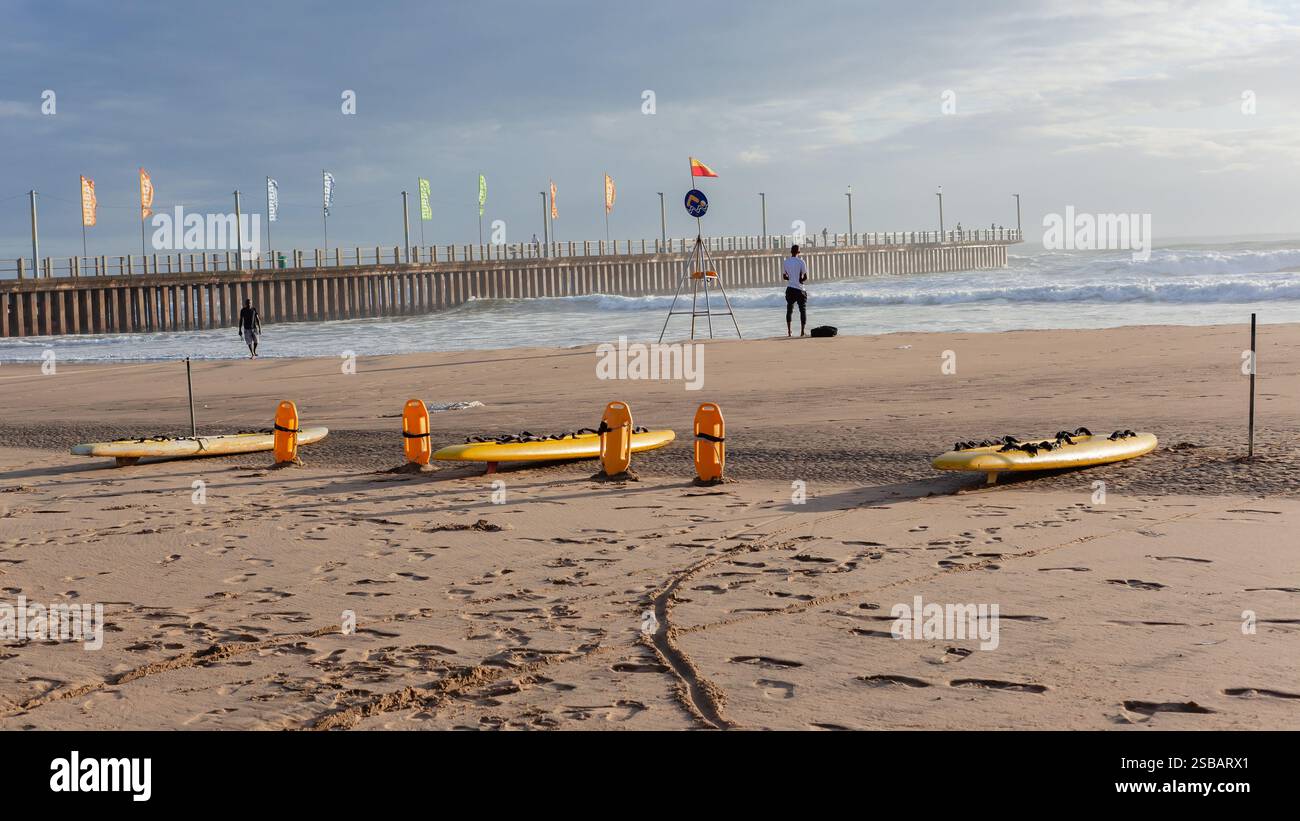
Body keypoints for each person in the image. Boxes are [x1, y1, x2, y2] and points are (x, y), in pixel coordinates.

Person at [781, 244, 808, 337]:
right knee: (802, 310)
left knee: (789, 310)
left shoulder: (786, 262)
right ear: (799, 252)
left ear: (791, 251)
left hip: (790, 289)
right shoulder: (801, 262)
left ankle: (789, 332)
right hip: (800, 289)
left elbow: (784, 276)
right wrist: (800, 281)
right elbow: (805, 277)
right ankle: (802, 332)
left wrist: (791, 279)